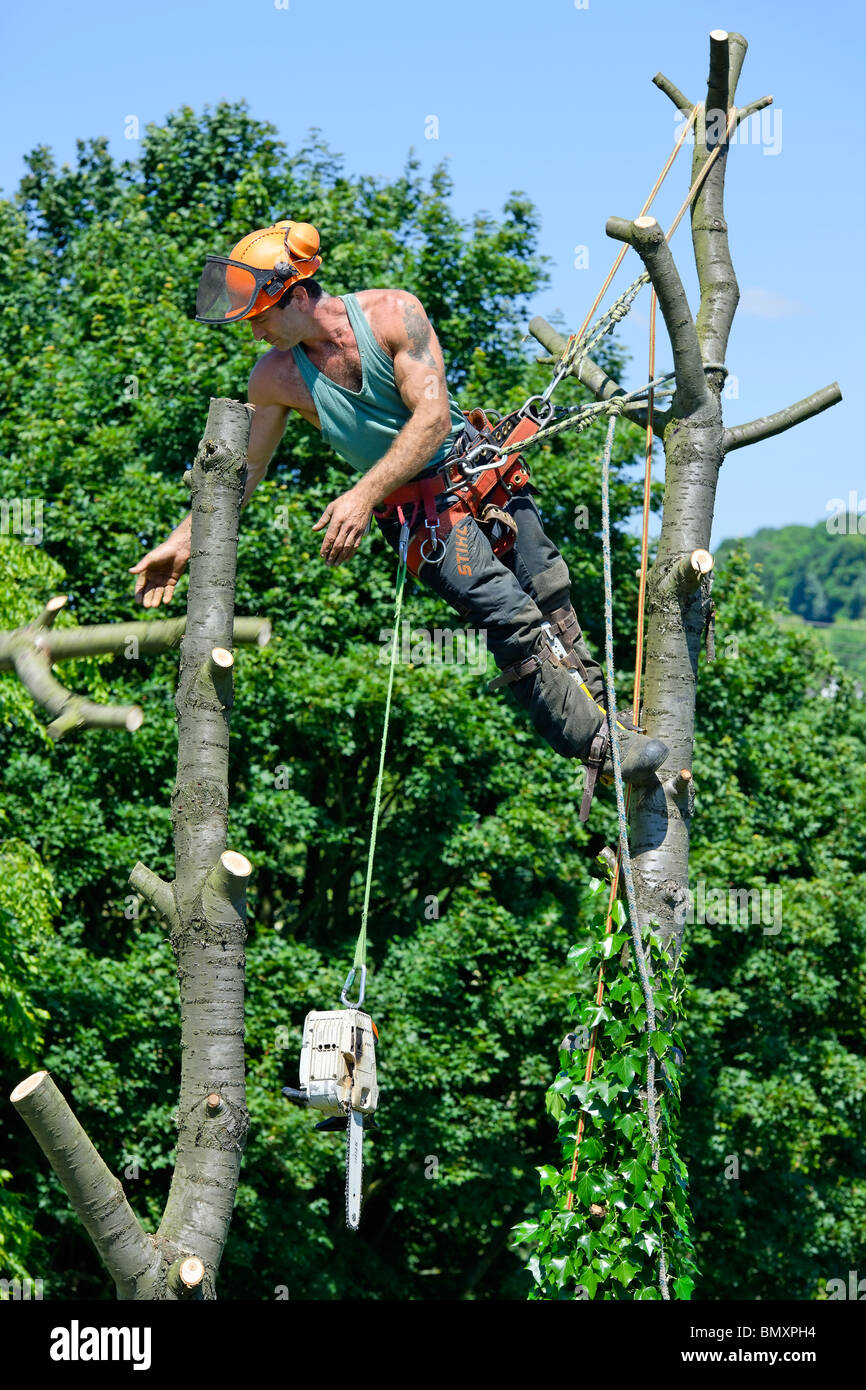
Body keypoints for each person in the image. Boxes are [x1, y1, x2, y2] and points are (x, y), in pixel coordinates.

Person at [130, 220, 667, 806]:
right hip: (422, 517)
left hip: (480, 473)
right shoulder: (276, 378)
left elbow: (432, 419)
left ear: (298, 294)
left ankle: (615, 720)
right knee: (508, 614)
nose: (253, 331)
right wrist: (185, 538)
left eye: (259, 316)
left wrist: (360, 495)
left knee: (549, 592)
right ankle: (598, 746)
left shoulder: (393, 314)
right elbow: (248, 471)